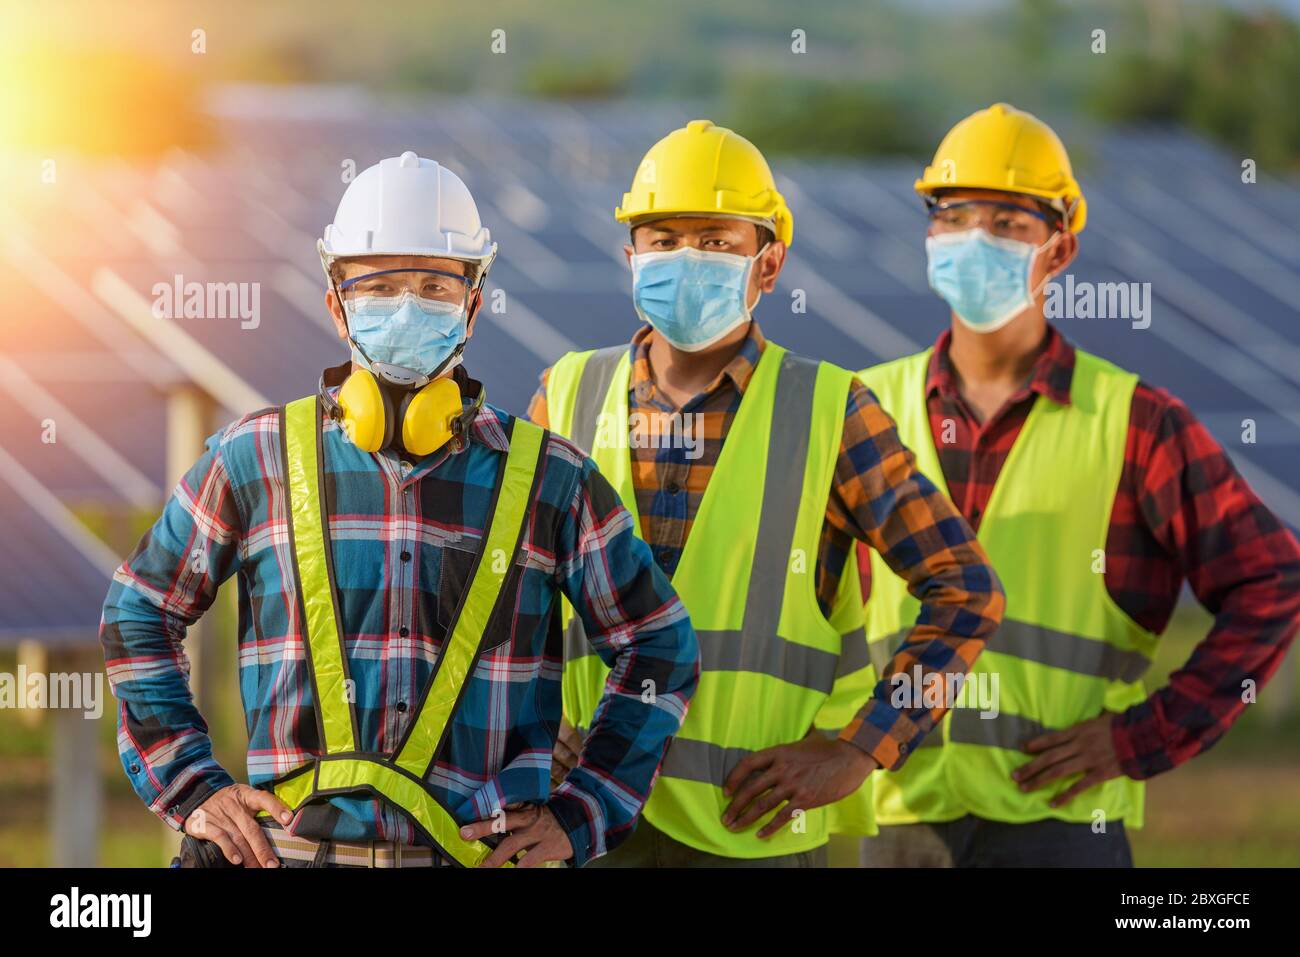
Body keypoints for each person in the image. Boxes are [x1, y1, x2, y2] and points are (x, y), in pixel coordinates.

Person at [100, 151, 699, 869]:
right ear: (336, 302)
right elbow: (139, 611)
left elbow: (658, 643)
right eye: (380, 285)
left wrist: (586, 809)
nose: (408, 305)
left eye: (434, 285)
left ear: (474, 303)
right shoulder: (252, 456)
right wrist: (193, 784)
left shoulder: (550, 478)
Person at [531, 120, 1005, 867]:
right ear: (631, 257)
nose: (687, 259)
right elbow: (505, 598)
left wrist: (859, 748)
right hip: (583, 822)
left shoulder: (831, 412)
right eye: (663, 238)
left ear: (769, 263)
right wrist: (529, 724)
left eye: (717, 241)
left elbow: (967, 591)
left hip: (752, 832)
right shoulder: (566, 394)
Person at [857, 103, 1300, 867]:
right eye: (954, 216)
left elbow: (1271, 578)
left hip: (1062, 830)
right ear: (930, 235)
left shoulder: (1136, 423)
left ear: (1058, 251)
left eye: (1007, 223)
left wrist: (1142, 737)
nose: (975, 240)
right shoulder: (862, 408)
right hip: (902, 824)